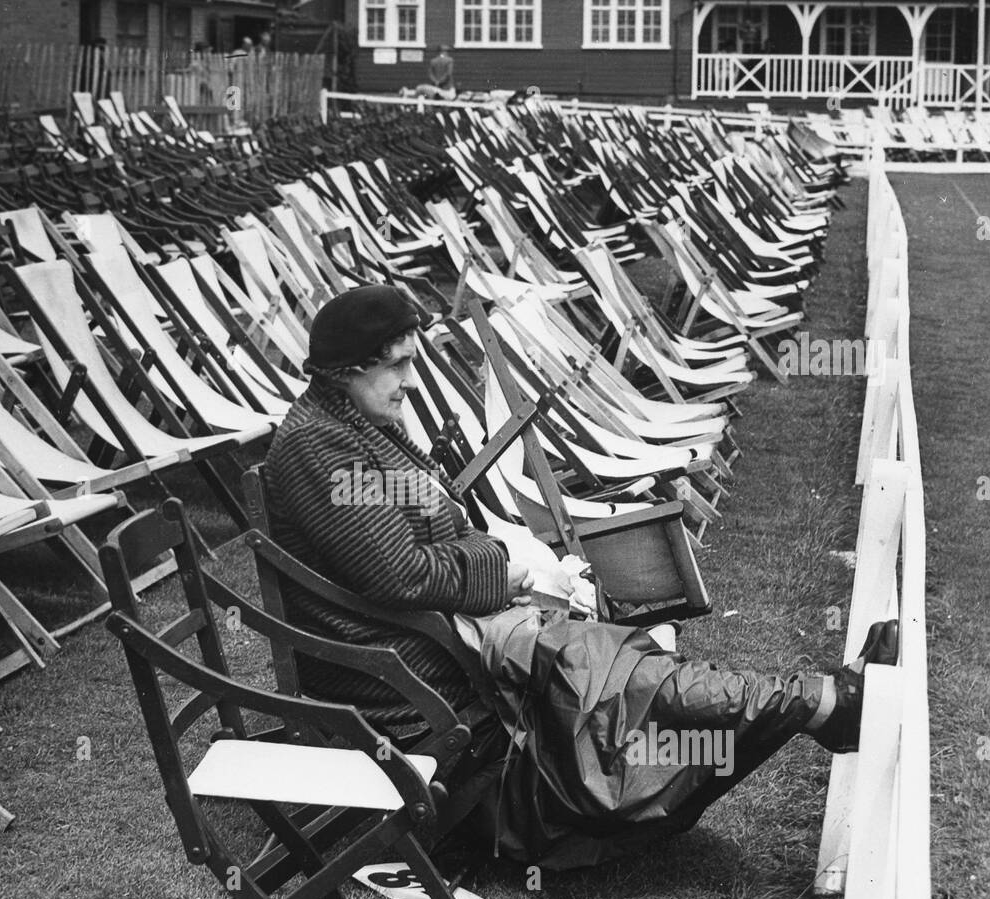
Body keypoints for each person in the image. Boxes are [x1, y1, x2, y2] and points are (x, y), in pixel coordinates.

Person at [262, 285, 899, 868]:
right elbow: (402, 574)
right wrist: (505, 568)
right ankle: (820, 703)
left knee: (624, 681)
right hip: (402, 671)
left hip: (434, 639)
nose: (409, 381)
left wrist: (492, 560)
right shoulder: (321, 448)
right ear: (347, 370)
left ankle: (818, 703)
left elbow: (440, 530)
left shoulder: (358, 430)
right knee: (618, 682)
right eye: (396, 366)